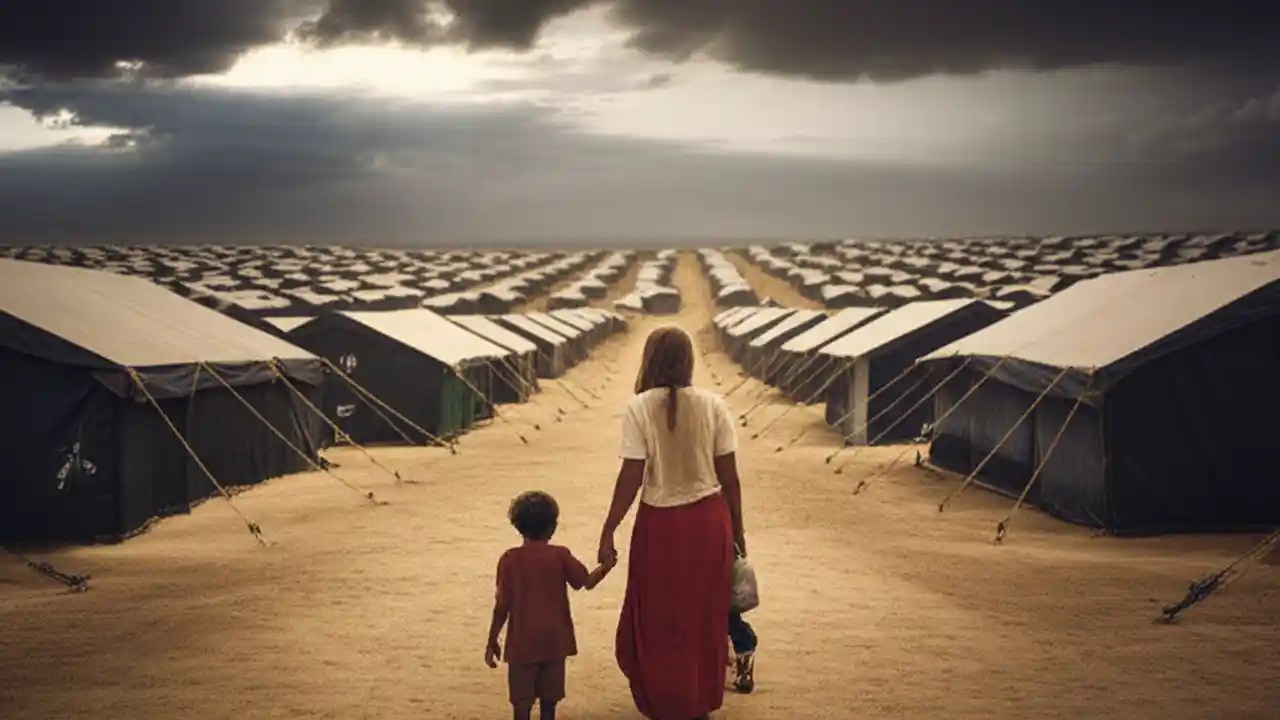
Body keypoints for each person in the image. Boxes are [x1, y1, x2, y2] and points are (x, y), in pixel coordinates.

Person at [598, 326, 752, 719]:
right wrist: (739, 533)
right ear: (688, 360)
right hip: (709, 522)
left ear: (649, 359)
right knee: (705, 613)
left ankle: (666, 697)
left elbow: (631, 476)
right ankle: (699, 698)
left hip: (660, 526)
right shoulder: (714, 405)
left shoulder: (638, 408)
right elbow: (730, 479)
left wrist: (609, 528)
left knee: (659, 614)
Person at [486, 491, 615, 720]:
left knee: (521, 705)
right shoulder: (559, 555)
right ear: (552, 526)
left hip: (522, 643)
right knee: (549, 703)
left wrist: (492, 640)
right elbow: (585, 582)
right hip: (555, 641)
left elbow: (501, 605)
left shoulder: (509, 560)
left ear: (517, 525)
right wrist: (606, 565)